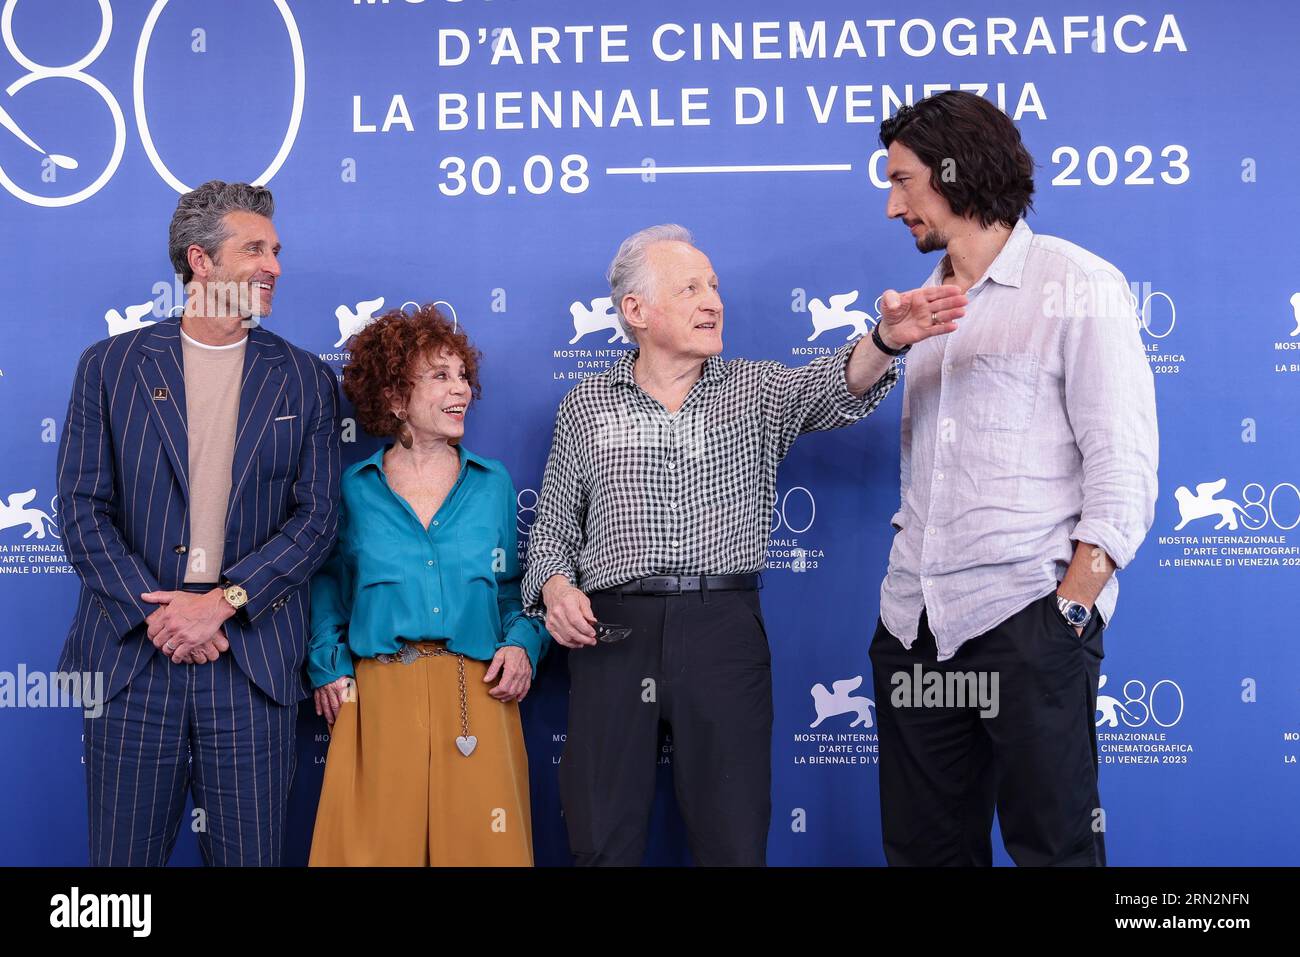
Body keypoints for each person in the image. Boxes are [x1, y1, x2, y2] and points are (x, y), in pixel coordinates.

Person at [523, 224, 963, 865]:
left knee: (732, 842)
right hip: (611, 636)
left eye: (715, 286)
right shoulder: (586, 405)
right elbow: (552, 534)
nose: (713, 301)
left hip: (722, 633)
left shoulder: (753, 389)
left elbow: (837, 386)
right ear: (636, 312)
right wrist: (557, 588)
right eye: (691, 287)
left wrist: (886, 338)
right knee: (600, 841)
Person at [869, 91, 1159, 866]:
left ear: (956, 171)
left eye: (903, 181)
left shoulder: (1078, 284)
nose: (893, 205)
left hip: (1025, 624)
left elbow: (1123, 468)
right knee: (926, 851)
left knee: (1054, 849)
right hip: (914, 627)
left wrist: (1067, 613)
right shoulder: (921, 309)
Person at [57, 180, 341, 866]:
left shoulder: (305, 378)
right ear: (201, 261)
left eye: (275, 249)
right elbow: (80, 508)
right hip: (133, 661)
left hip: (250, 666)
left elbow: (317, 516)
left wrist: (223, 603)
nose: (275, 265)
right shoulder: (110, 366)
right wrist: (163, 615)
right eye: (256, 248)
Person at [307, 304, 549, 866]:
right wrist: (329, 666)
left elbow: (514, 590)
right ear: (395, 398)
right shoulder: (354, 489)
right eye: (439, 376)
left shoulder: (492, 485)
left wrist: (523, 645)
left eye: (462, 374)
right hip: (377, 699)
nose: (460, 388)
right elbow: (327, 586)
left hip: (479, 695)